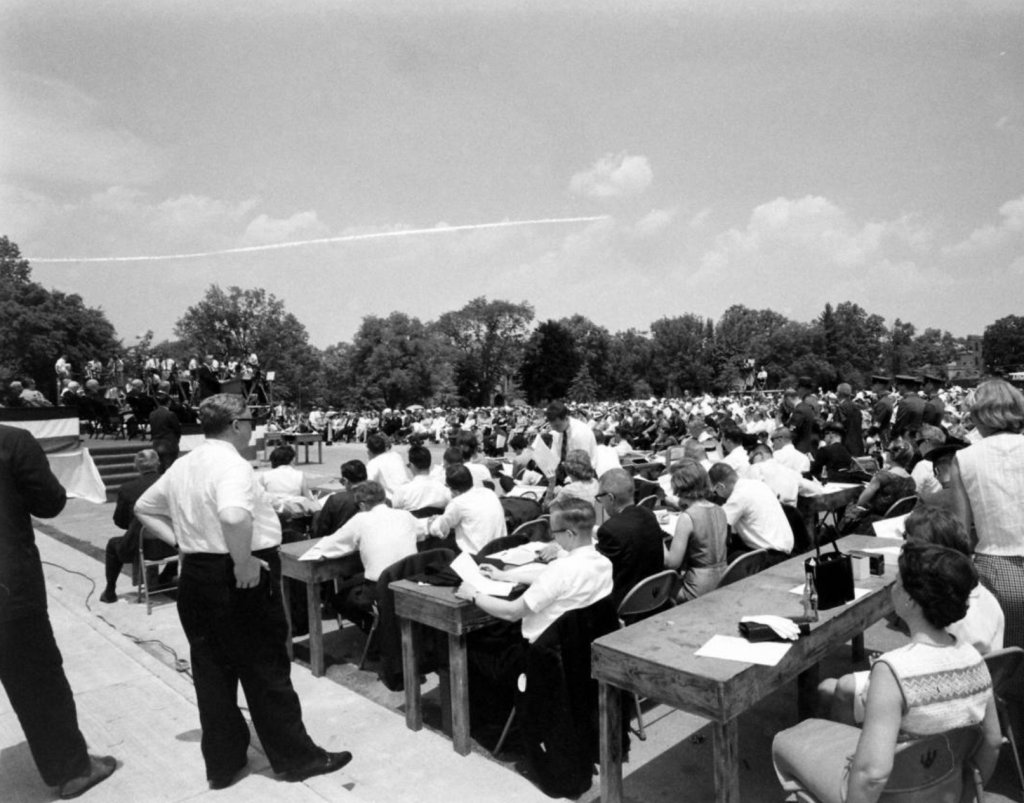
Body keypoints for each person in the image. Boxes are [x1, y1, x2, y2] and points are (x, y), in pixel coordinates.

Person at [134, 394, 351, 789]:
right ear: (236, 424)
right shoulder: (231, 464)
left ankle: (222, 762)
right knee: (265, 668)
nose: (253, 427)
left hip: (198, 574)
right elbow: (234, 516)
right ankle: (296, 758)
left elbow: (144, 507)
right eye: (251, 420)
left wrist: (182, 544)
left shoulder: (185, 463)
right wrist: (243, 562)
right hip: (238, 571)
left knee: (211, 671)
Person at [774, 540, 1001, 803]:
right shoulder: (975, 659)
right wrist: (966, 794)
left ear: (910, 599)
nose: (894, 588)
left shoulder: (893, 670)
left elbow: (873, 774)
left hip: (894, 793)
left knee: (785, 741)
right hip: (945, 787)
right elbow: (993, 741)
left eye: (898, 582)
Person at [0, 424, 117, 797]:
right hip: (8, 590)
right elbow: (50, 503)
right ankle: (72, 769)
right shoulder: (10, 440)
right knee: (38, 683)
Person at [951, 378, 1024, 729]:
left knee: (998, 662)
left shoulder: (964, 458)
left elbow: (961, 531)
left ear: (980, 414)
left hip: (996, 565)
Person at [321, 481, 421, 630]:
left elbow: (332, 545)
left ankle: (377, 631)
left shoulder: (361, 519)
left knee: (339, 600)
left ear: (362, 505)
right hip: (409, 582)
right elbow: (421, 531)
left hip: (380, 589)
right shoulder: (405, 515)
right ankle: (383, 630)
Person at [100, 449, 176, 603]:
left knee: (113, 545)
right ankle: (169, 572)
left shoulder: (127, 489)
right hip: (173, 543)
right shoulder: (173, 483)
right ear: (158, 464)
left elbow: (120, 522)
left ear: (136, 466)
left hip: (141, 546)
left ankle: (110, 591)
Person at [593, 468, 666, 607]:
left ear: (610, 498)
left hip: (625, 603)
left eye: (600, 498)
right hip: (654, 595)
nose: (600, 502)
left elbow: (596, 571)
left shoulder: (610, 529)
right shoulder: (648, 514)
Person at [664, 460, 728, 601]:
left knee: (658, 588)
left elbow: (672, 563)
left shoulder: (687, 518)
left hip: (697, 588)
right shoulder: (720, 510)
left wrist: (656, 535)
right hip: (724, 580)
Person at [707, 463, 794, 557]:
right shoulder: (757, 484)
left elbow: (718, 523)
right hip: (785, 548)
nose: (717, 495)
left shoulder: (738, 495)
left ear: (720, 486)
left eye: (715, 491)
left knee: (730, 557)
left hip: (770, 555)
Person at [423, 465, 506, 554]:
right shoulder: (489, 493)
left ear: (453, 490)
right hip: (499, 551)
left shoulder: (458, 503)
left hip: (476, 558)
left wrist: (432, 522)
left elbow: (439, 529)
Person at [841, 440, 916, 535]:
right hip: (898, 524)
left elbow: (861, 502)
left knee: (848, 511)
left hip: (876, 523)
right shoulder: (911, 480)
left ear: (891, 454)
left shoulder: (882, 476)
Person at [313, 460, 366, 538]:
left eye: (342, 482)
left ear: (346, 481)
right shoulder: (380, 498)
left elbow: (321, 531)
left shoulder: (335, 500)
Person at [392, 444, 451, 513]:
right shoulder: (444, 490)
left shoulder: (403, 491)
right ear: (429, 463)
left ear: (412, 465)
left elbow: (395, 511)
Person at [365, 433, 409, 499]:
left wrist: (371, 459)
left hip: (392, 499)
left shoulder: (373, 463)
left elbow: (367, 484)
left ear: (369, 451)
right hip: (407, 494)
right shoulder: (396, 456)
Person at [149, 391, 182, 473]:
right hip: (169, 443)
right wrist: (176, 441)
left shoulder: (152, 414)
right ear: (169, 402)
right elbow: (177, 429)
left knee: (159, 467)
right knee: (170, 468)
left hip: (156, 442)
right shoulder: (170, 414)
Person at [833, 382, 865, 457]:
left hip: (845, 446)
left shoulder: (841, 408)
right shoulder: (856, 407)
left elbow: (838, 427)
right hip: (858, 444)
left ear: (838, 393)